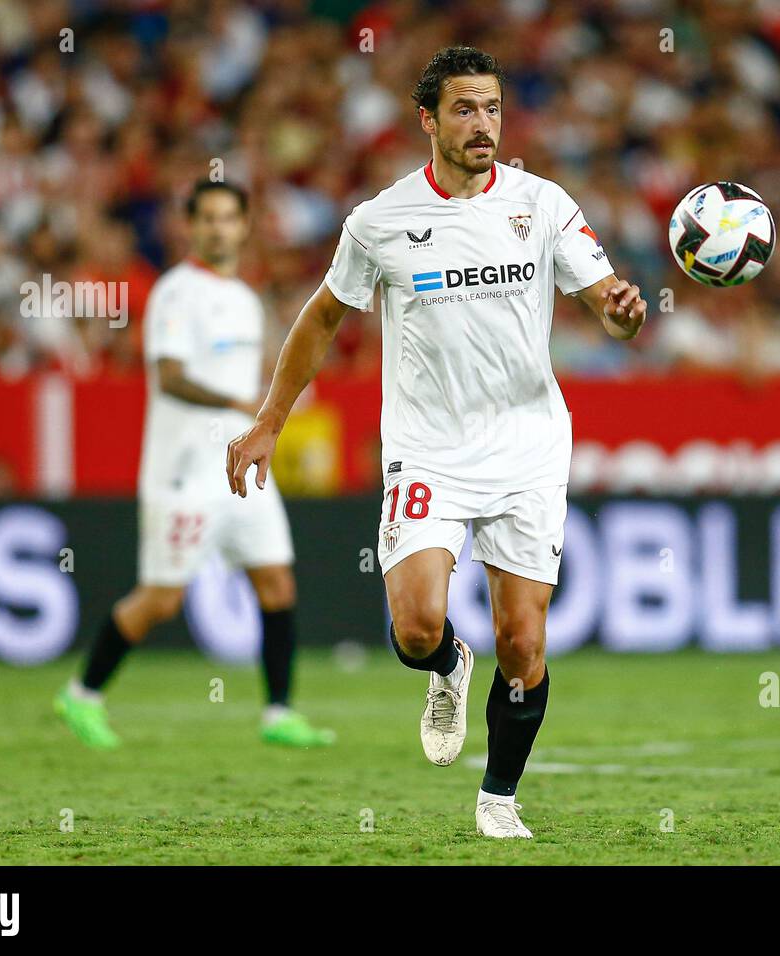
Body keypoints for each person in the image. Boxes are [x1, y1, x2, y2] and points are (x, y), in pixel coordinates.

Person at [225, 47, 646, 838]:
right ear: (428, 120)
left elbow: (609, 303)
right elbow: (322, 319)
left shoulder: (543, 204)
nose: (482, 124)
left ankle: (498, 799)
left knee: (524, 642)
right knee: (418, 627)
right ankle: (450, 666)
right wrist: (270, 420)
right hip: (428, 449)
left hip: (526, 447)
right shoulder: (379, 222)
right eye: (463, 109)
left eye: (491, 108)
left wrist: (624, 311)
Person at [55, 181, 334, 751]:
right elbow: (170, 376)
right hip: (185, 467)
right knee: (162, 598)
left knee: (276, 580)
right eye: (206, 218)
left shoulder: (244, 297)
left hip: (242, 463)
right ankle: (81, 694)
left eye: (228, 217)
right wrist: (239, 402)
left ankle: (278, 713)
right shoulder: (176, 293)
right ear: (190, 226)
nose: (217, 228)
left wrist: (265, 405)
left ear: (244, 225)